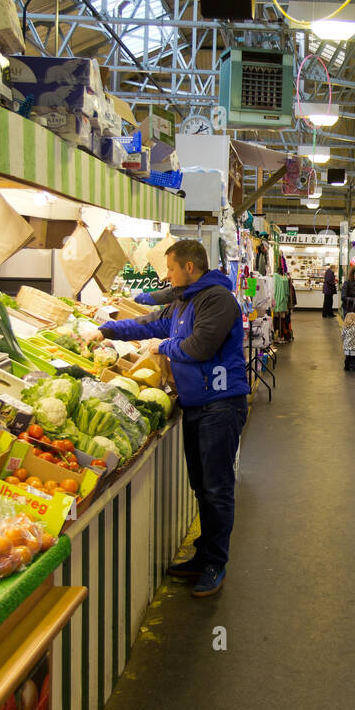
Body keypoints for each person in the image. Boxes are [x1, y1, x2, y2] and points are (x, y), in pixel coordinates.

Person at [93, 238, 250, 598]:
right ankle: (203, 555)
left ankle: (215, 563)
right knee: (201, 486)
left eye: (170, 268)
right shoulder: (183, 300)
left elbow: (198, 347)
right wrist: (105, 330)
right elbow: (148, 324)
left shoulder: (218, 301)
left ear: (189, 268)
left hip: (221, 405)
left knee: (216, 489)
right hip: (197, 407)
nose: (167, 275)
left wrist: (162, 347)